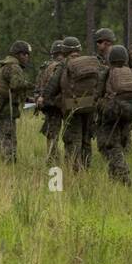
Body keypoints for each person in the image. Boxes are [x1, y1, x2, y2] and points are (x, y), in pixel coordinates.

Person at [42, 38, 98, 171]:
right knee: (86, 140)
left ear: (64, 50)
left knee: (73, 140)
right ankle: (86, 170)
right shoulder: (91, 62)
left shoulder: (64, 64)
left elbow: (51, 88)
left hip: (72, 108)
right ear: (79, 49)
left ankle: (74, 172)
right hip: (90, 107)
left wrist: (51, 101)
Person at [94, 44, 132, 184]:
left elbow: (98, 93)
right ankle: (114, 179)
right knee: (119, 143)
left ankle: (124, 175)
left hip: (113, 113)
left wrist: (99, 104)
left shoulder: (108, 72)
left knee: (109, 145)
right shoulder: (130, 72)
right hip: (129, 112)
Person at [0, 40, 31, 163]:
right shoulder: (14, 66)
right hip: (6, 109)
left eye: (27, 54)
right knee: (8, 139)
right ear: (18, 54)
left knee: (2, 138)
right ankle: (9, 165)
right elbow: (16, 85)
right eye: (24, 54)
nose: (27, 57)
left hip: (0, 108)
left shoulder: (6, 65)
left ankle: (6, 165)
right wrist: (33, 86)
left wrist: (27, 99)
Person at [34, 40, 67, 165]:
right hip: (67, 104)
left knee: (52, 135)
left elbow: (38, 87)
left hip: (50, 105)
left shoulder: (45, 67)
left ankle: (52, 160)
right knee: (71, 134)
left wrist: (40, 99)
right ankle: (72, 159)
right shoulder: (67, 65)